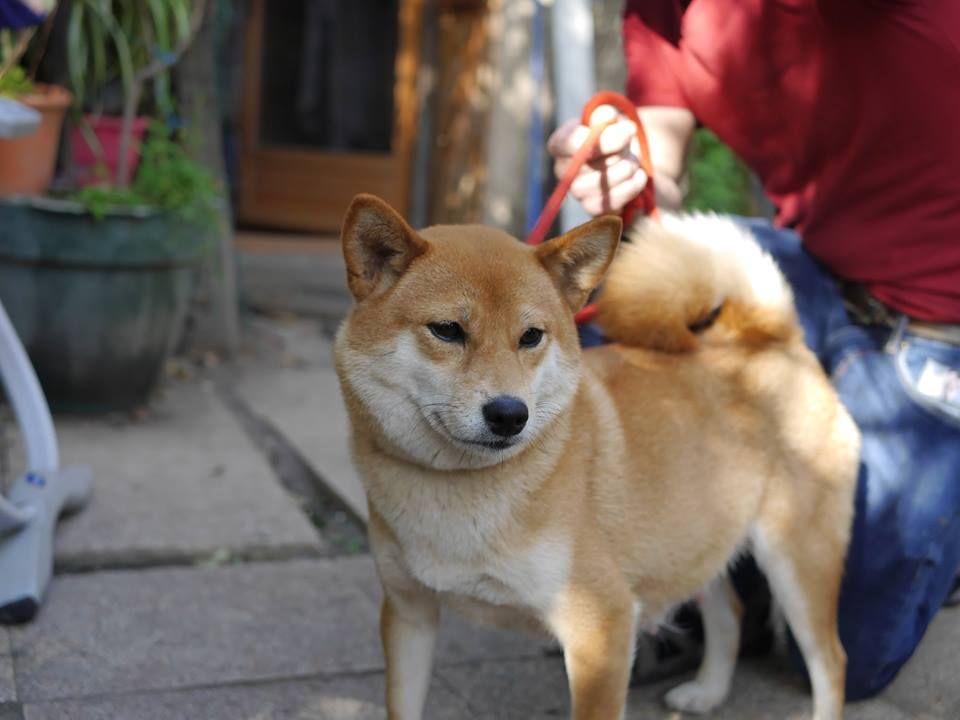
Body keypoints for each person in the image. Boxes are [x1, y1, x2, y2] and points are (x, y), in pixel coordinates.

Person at [547, 0, 960, 701]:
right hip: (817, 273)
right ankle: (683, 575)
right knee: (627, 294)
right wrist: (625, 170)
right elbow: (662, 162)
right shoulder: (659, 14)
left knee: (846, 655)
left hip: (939, 326)